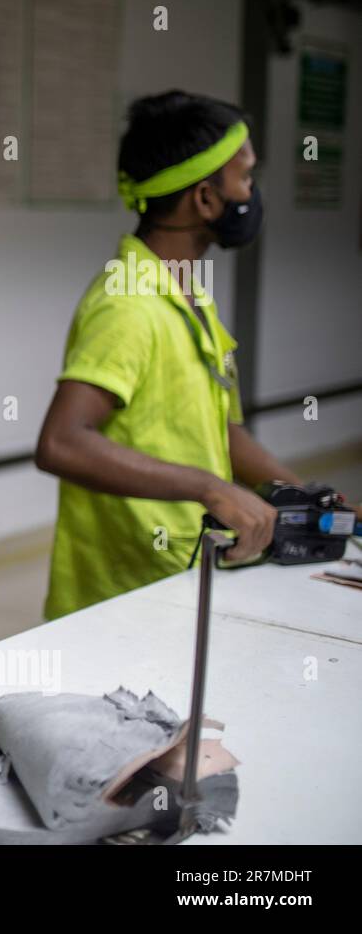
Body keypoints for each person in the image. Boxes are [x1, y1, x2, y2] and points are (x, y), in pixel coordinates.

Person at [35, 90, 307, 620]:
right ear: (205, 199)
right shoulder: (127, 305)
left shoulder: (188, 294)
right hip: (125, 594)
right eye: (245, 177)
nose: (252, 192)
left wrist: (304, 496)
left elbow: (219, 430)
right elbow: (62, 443)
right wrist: (210, 488)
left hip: (185, 571)